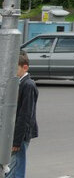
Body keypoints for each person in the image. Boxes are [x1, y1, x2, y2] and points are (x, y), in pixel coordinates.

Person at [8, 50, 38, 178]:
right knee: (13, 166)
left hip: (21, 135)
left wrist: (16, 141)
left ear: (25, 67)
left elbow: (25, 115)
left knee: (16, 168)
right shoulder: (20, 83)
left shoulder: (28, 85)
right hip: (17, 134)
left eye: (15, 68)